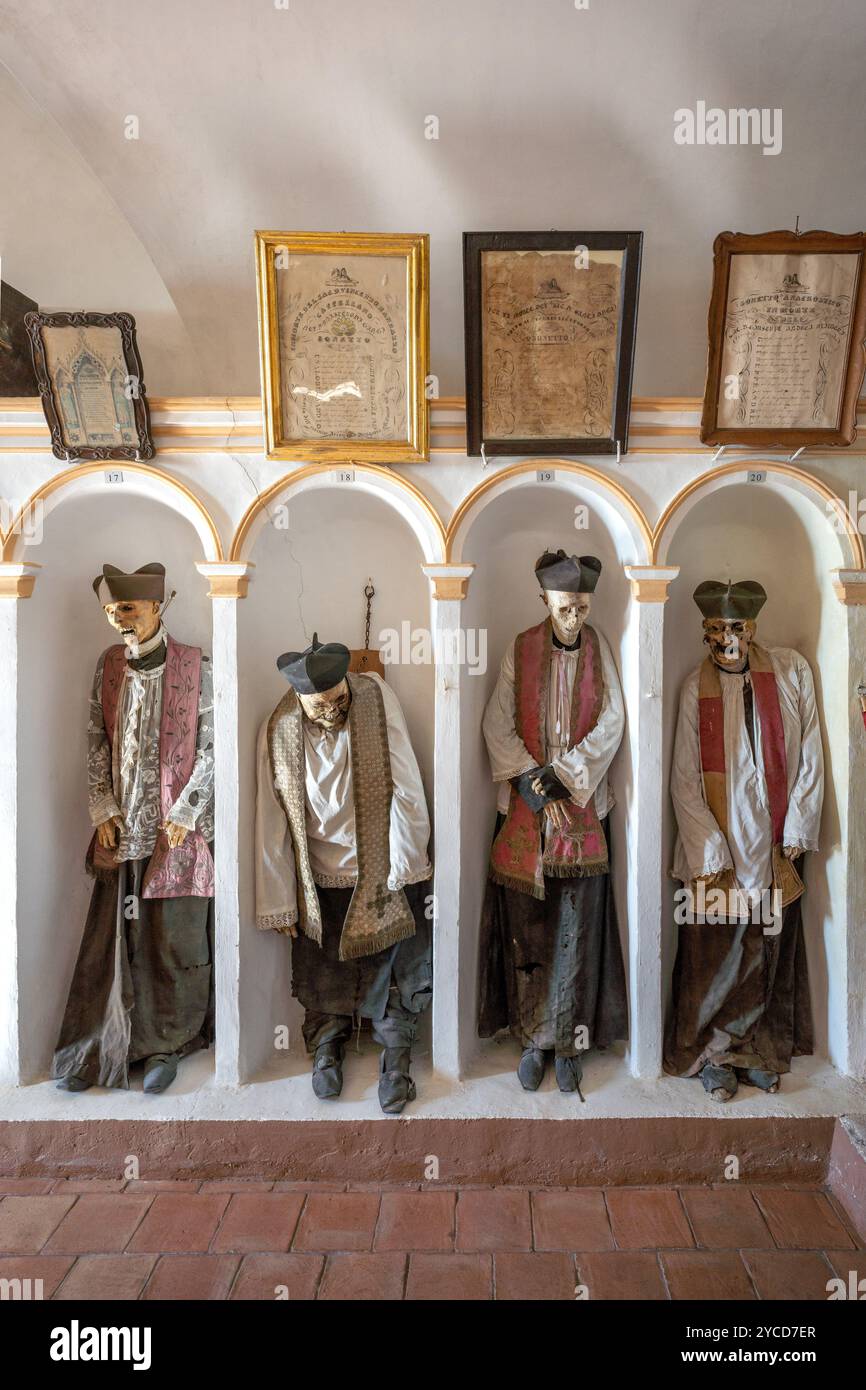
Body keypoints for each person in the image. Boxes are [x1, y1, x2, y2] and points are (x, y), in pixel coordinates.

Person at [53, 563, 215, 1094]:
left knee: (171, 941)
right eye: (111, 610)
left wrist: (186, 812)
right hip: (123, 831)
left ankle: (167, 1044)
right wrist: (102, 807)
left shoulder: (197, 665)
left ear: (157, 606)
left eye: (127, 608)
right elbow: (95, 737)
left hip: (177, 834)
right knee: (116, 939)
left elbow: (213, 750)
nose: (118, 618)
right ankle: (104, 1046)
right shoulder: (108, 666)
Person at [255, 634, 432, 1114]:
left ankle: (396, 1057)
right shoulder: (280, 726)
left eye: (337, 700)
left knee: (397, 967)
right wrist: (278, 900)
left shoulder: (374, 697)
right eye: (319, 706)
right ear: (298, 699)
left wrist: (407, 863)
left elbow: (406, 779)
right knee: (323, 971)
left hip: (381, 866)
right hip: (319, 876)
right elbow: (272, 817)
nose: (332, 710)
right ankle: (327, 1047)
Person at [664, 579, 823, 1101]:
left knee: (766, 951)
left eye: (736, 627)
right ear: (704, 634)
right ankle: (715, 1054)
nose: (727, 639)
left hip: (774, 841)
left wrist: (798, 825)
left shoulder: (790, 673)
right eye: (716, 629)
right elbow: (685, 778)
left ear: (752, 628)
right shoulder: (695, 688)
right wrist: (709, 848)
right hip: (720, 845)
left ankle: (757, 1051)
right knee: (718, 957)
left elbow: (812, 757)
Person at [477, 549, 628, 1095]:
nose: (574, 618)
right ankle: (532, 1039)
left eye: (581, 607)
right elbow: (497, 722)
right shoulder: (522, 647)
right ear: (544, 600)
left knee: (577, 930)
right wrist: (539, 786)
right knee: (529, 929)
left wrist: (569, 777)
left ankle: (569, 1040)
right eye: (564, 608)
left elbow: (614, 718)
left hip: (583, 803)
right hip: (528, 806)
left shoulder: (599, 647)